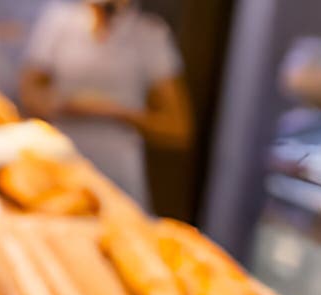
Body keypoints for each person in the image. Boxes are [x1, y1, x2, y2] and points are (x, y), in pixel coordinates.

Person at [20, 0, 193, 209]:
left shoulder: (149, 33)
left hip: (118, 170)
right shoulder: (60, 21)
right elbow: (29, 93)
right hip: (60, 161)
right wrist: (64, 105)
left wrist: (115, 111)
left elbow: (177, 128)